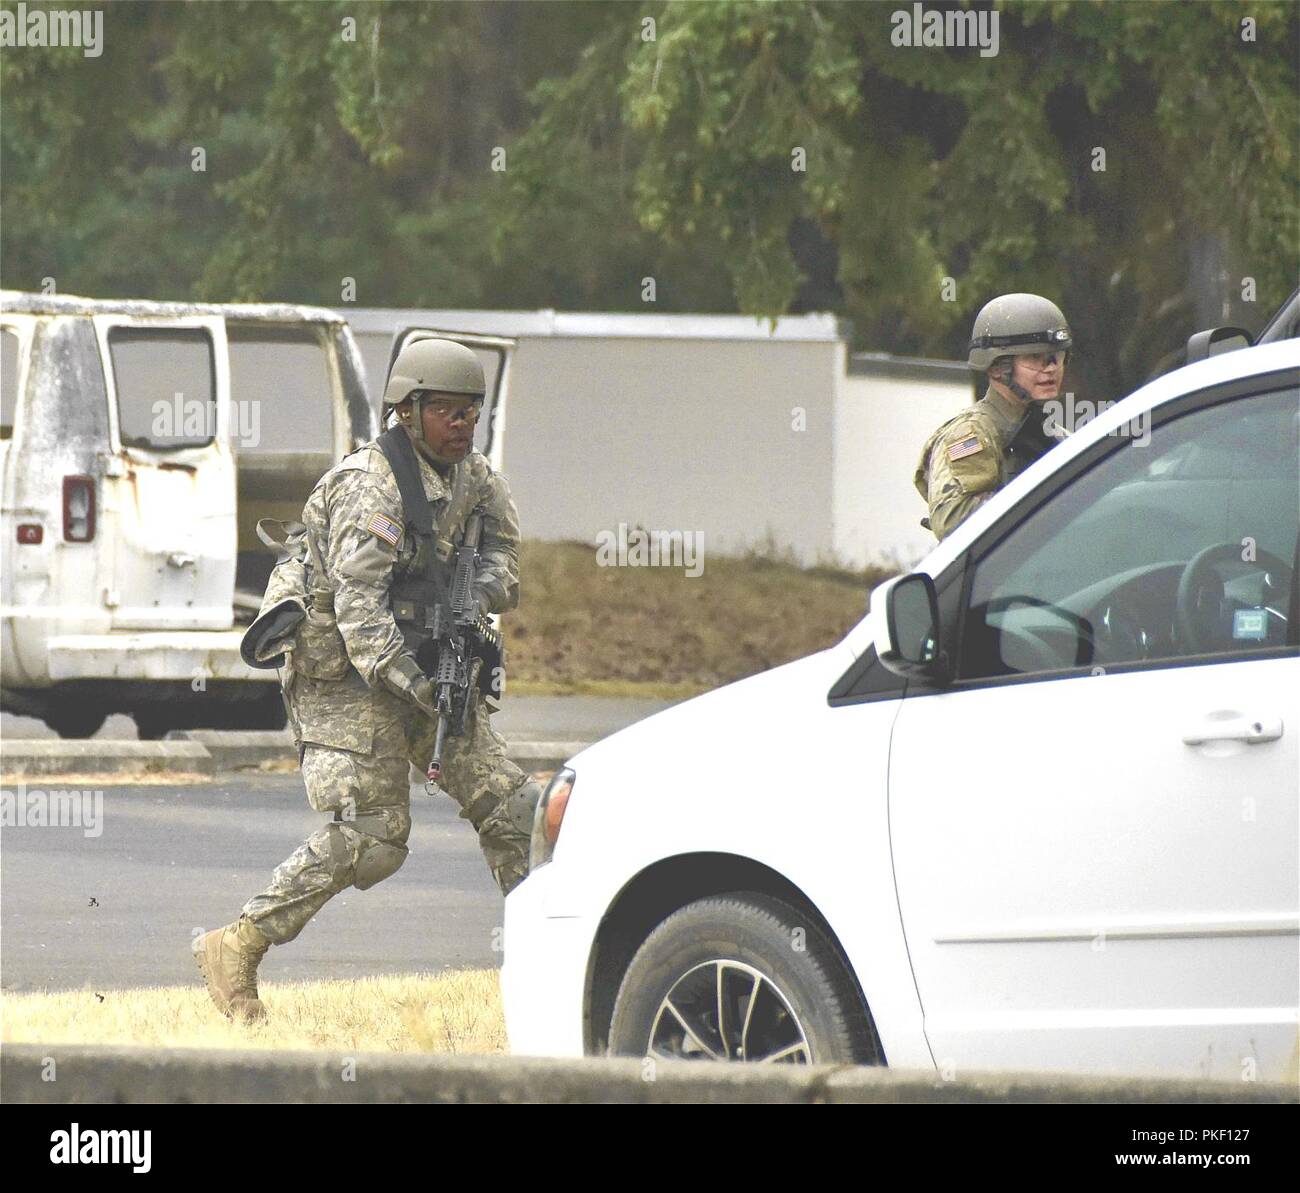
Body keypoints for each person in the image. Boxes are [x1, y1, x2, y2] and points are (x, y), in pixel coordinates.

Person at [194, 337, 542, 1024]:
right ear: (407, 412)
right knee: (377, 835)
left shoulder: (476, 479)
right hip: (346, 675)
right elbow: (359, 613)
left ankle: (543, 961)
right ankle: (236, 944)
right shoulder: (371, 487)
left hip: (426, 664)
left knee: (513, 809)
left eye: (471, 411)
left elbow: (508, 556)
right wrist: (419, 686)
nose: (463, 423)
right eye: (446, 410)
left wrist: (480, 592)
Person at [915, 293, 1073, 540]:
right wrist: (1042, 499)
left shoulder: (1052, 433)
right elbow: (952, 519)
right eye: (1035, 357)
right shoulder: (971, 434)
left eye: (1057, 357)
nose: (1051, 367)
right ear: (998, 367)